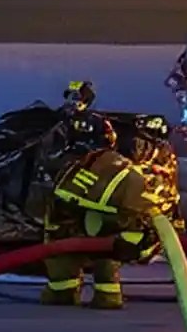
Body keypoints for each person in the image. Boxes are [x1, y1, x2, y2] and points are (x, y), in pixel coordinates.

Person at [40, 121, 164, 309]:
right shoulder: (127, 169)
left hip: (94, 231)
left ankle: (62, 291)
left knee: (60, 241)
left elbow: (60, 204)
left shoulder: (80, 164)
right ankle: (107, 294)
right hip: (124, 235)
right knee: (103, 251)